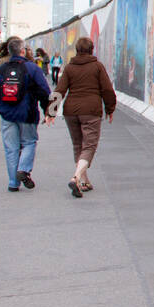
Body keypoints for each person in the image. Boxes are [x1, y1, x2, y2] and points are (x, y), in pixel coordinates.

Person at [50, 36, 116, 198]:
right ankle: (76, 177)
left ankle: (84, 181)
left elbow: (60, 90)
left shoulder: (69, 68)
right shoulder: (97, 67)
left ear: (77, 50)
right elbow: (107, 90)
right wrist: (110, 108)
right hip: (91, 111)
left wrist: (51, 112)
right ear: (91, 49)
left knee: (77, 145)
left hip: (70, 111)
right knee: (89, 146)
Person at [0, 36, 51, 192]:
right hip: (27, 114)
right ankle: (23, 169)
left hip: (8, 116)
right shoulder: (32, 68)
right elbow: (45, 92)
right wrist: (49, 112)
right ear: (23, 51)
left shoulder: (1, 69)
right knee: (29, 142)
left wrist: (1, 109)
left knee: (11, 149)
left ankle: (13, 183)